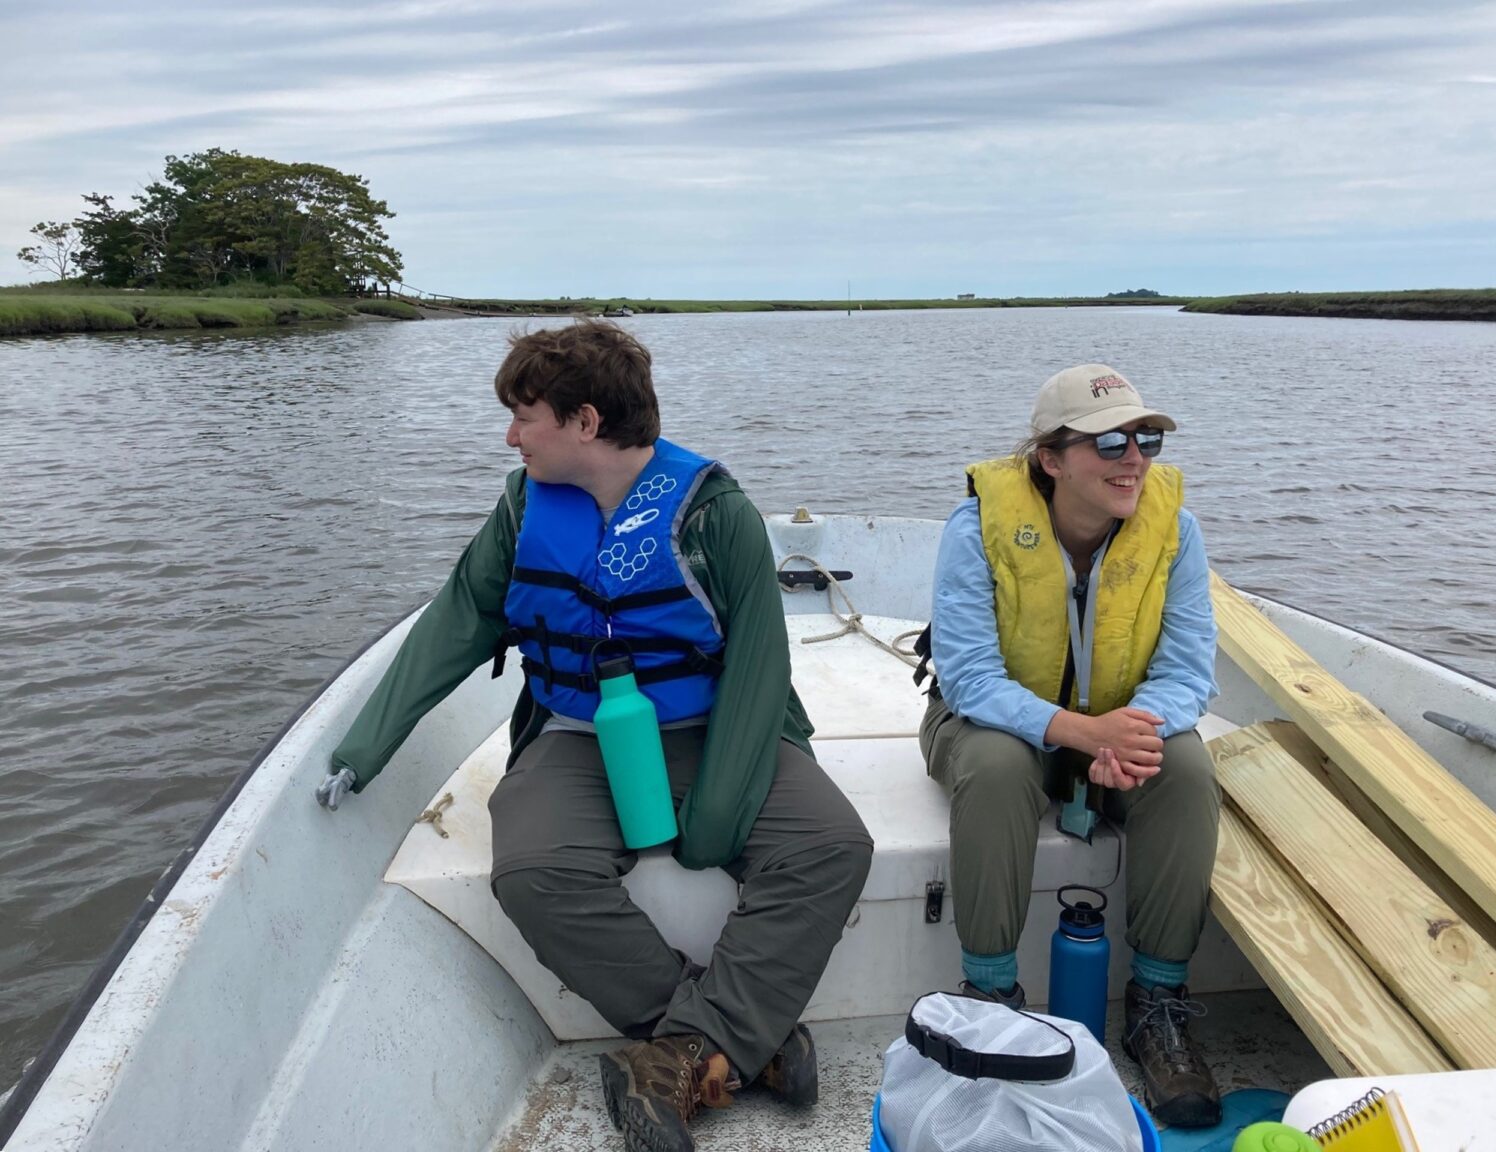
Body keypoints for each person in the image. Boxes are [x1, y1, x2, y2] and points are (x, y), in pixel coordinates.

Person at [315, 320, 873, 1152]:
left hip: (716, 728)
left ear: (584, 422)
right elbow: (456, 623)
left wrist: (721, 806)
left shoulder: (715, 513)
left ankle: (675, 1057)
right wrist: (362, 751)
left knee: (832, 846)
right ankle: (723, 1043)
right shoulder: (520, 507)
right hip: (576, 735)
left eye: (524, 415)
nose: (511, 436)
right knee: (534, 873)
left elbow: (761, 667)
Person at [919, 363, 1222, 1127]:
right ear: (1051, 459)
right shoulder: (978, 529)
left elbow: (1188, 669)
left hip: (1114, 731)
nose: (1134, 458)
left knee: (1184, 767)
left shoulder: (1174, 532)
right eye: (1109, 440)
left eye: (1145, 437)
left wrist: (1131, 733)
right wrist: (1082, 733)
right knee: (994, 766)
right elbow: (969, 676)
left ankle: (1159, 1003)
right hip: (987, 725)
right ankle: (991, 996)